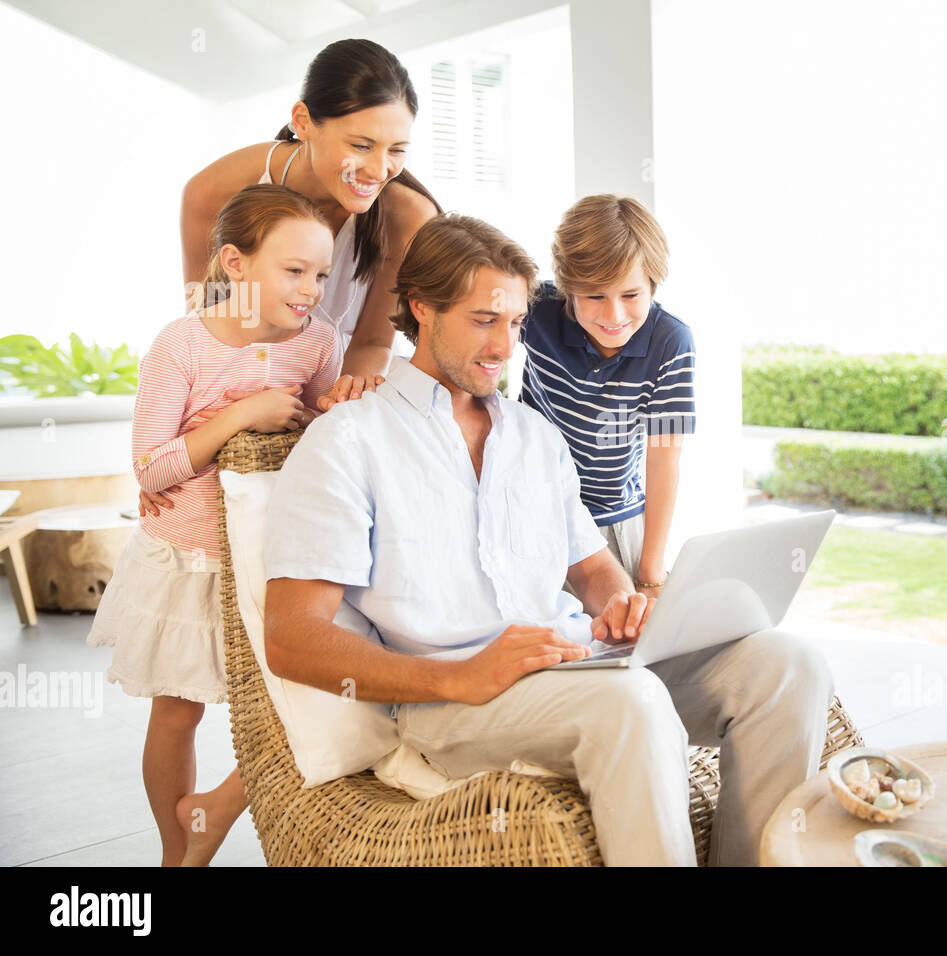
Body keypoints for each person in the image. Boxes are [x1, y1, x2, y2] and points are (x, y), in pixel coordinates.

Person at [262, 213, 833, 866]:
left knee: (788, 665)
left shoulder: (534, 436)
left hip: (582, 667)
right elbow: (291, 637)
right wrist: (456, 678)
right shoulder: (349, 440)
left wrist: (621, 602)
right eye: (483, 320)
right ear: (421, 308)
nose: (506, 346)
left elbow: (591, 568)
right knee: (632, 702)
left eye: (515, 323)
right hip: (452, 701)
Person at [88, 185, 343, 866]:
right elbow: (151, 468)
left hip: (270, 560)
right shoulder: (182, 345)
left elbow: (322, 447)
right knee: (179, 713)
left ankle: (220, 806)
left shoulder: (321, 343)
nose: (312, 289)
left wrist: (309, 414)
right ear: (235, 263)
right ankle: (180, 849)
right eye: (294, 271)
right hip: (188, 562)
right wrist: (238, 415)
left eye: (321, 273)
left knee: (299, 702)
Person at [141, 38, 440, 519]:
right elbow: (214, 326)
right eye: (360, 145)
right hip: (238, 389)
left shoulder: (407, 215)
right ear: (303, 122)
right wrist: (177, 462)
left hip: (339, 388)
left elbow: (368, 346)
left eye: (397, 150)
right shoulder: (213, 192)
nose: (378, 169)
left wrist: (320, 426)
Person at [518, 195, 694, 597]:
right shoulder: (537, 309)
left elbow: (664, 457)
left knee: (630, 634)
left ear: (653, 284)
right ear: (567, 290)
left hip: (617, 522)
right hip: (536, 512)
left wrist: (650, 574)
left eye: (631, 296)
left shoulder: (671, 342)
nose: (614, 316)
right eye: (595, 296)